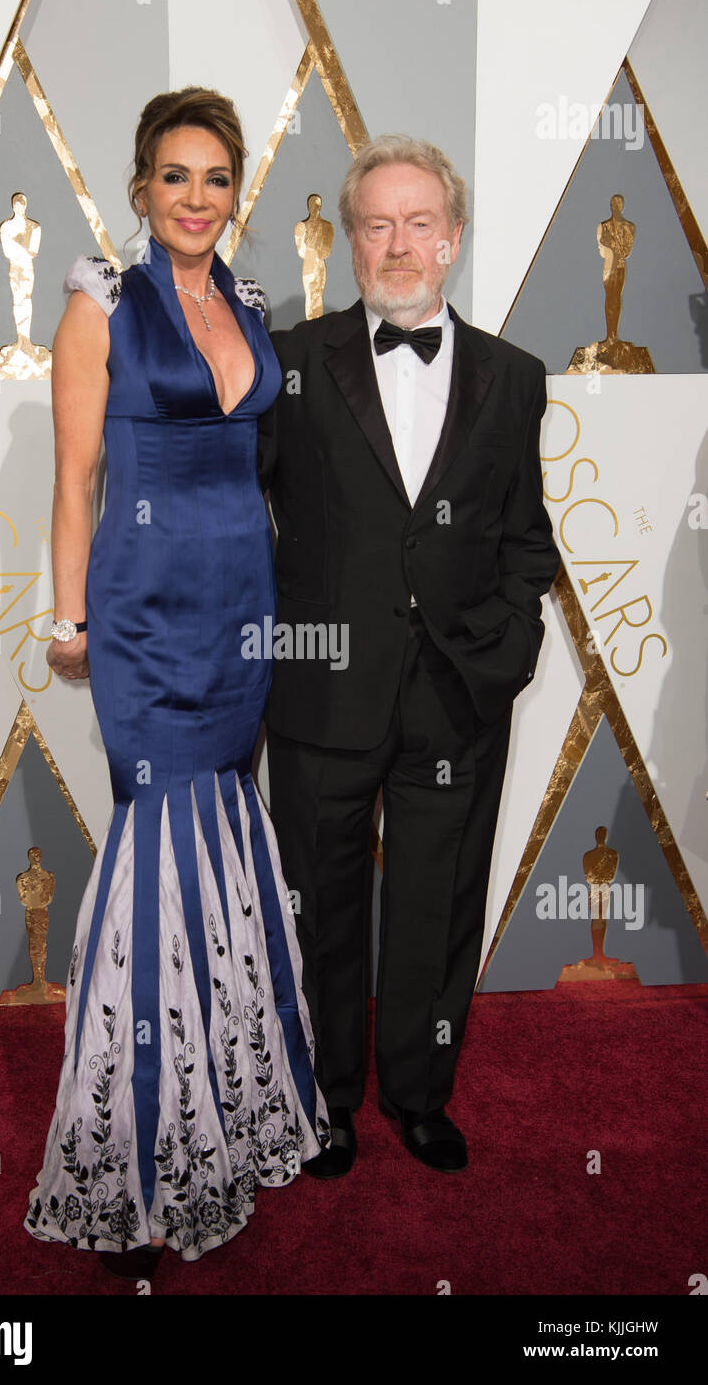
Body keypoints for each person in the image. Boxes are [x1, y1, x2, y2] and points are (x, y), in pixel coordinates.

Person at [24, 87, 328, 1280]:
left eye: (215, 179)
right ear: (140, 184)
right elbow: (73, 477)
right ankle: (137, 1157)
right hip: (145, 616)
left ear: (231, 191)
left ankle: (231, 1109)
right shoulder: (101, 299)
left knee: (219, 847)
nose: (194, 197)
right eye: (174, 175)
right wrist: (68, 620)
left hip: (239, 611)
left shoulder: (248, 301)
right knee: (154, 858)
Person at [258, 134, 560, 1179]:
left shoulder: (513, 378)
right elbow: (234, 514)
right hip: (319, 695)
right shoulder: (289, 365)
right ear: (347, 240)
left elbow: (525, 535)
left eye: (417, 222)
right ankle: (325, 1099)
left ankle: (419, 1095)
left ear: (453, 239)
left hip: (454, 693)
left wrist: (506, 650)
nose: (397, 244)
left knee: (435, 905)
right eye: (376, 223)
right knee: (317, 905)